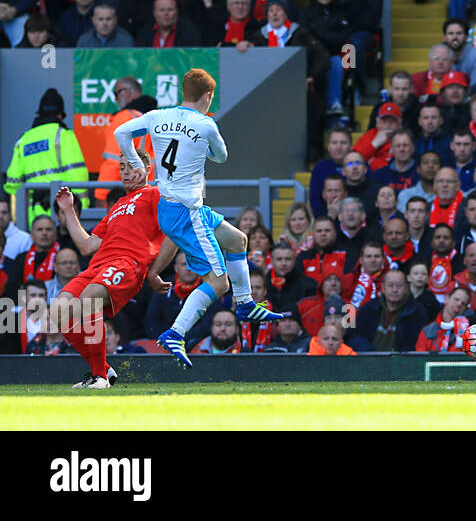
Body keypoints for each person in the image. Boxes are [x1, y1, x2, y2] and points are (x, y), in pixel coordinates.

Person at [116, 68, 287, 369]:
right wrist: (202, 150)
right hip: (187, 212)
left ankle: (245, 303)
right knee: (219, 284)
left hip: (175, 208)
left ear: (183, 92)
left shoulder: (157, 116)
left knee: (238, 240)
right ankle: (176, 333)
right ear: (208, 95)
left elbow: (121, 132)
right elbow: (221, 157)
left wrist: (136, 164)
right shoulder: (206, 124)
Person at [48, 148, 162, 387]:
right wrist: (68, 210)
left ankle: (99, 376)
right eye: (122, 167)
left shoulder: (155, 194)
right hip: (98, 265)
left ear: (148, 169)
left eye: (131, 166)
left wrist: (155, 270)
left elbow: (172, 230)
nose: (126, 172)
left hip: (127, 263)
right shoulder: (117, 206)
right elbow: (87, 245)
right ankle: (103, 370)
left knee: (89, 297)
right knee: (59, 310)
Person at [5, 88, 88, 225]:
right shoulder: (64, 135)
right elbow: (77, 175)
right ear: (60, 115)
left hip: (33, 215)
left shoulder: (24, 140)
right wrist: (80, 209)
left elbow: (13, 183)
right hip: (61, 213)